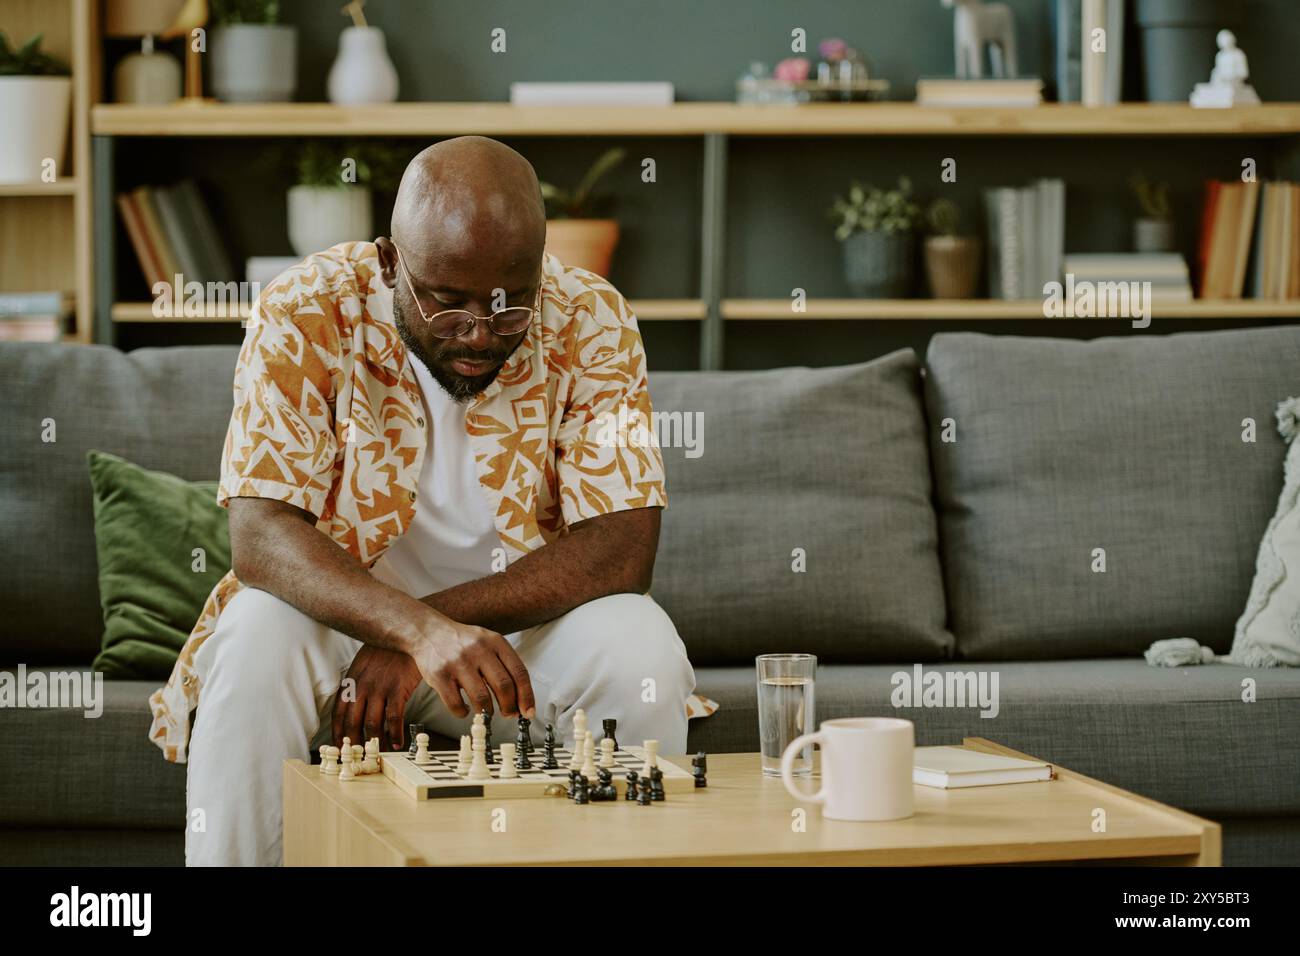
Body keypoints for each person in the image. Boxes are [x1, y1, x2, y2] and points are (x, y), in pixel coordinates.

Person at [149, 136, 696, 866]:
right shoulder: (306, 307)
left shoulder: (592, 317)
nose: (478, 332)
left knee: (640, 642)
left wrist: (431, 634)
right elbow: (260, 535)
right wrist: (414, 630)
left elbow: (624, 546)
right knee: (253, 635)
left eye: (510, 307)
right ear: (389, 262)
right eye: (447, 302)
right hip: (339, 630)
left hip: (517, 645)